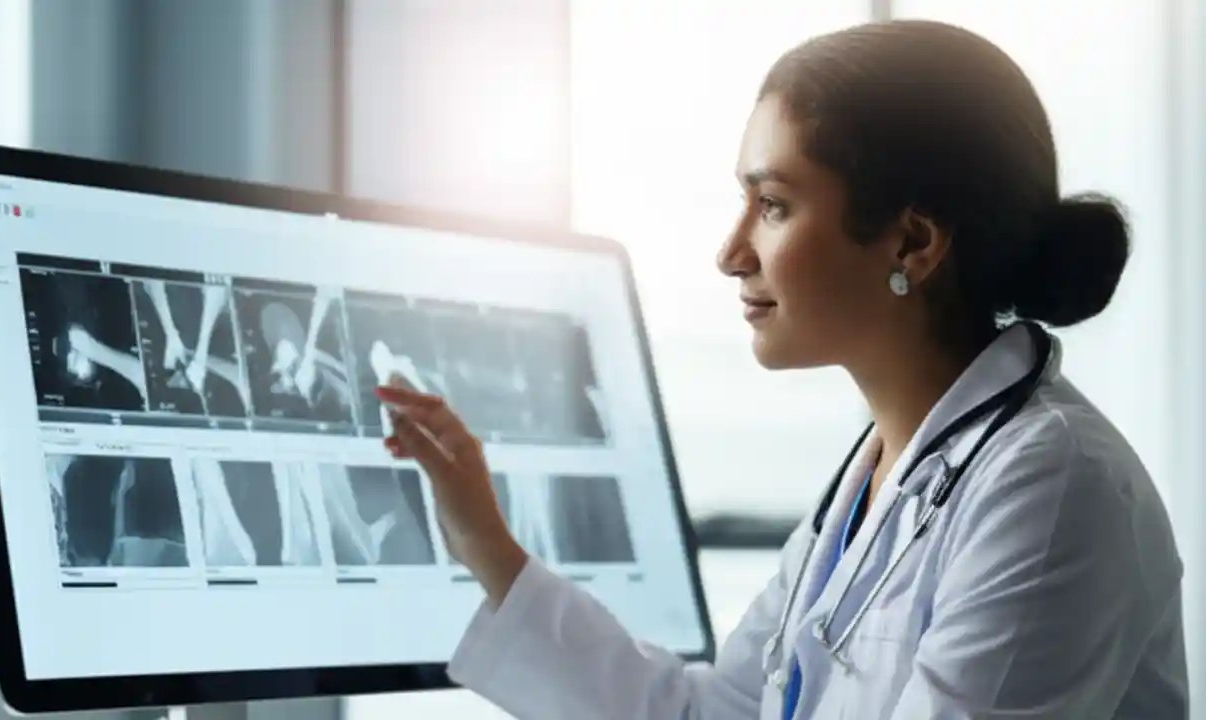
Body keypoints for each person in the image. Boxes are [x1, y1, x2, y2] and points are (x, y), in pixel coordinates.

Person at [374, 19, 1187, 720]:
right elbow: (717, 713)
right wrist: (485, 540)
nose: (731, 254)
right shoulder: (879, 476)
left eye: (772, 206)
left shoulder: (1051, 486)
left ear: (911, 243)